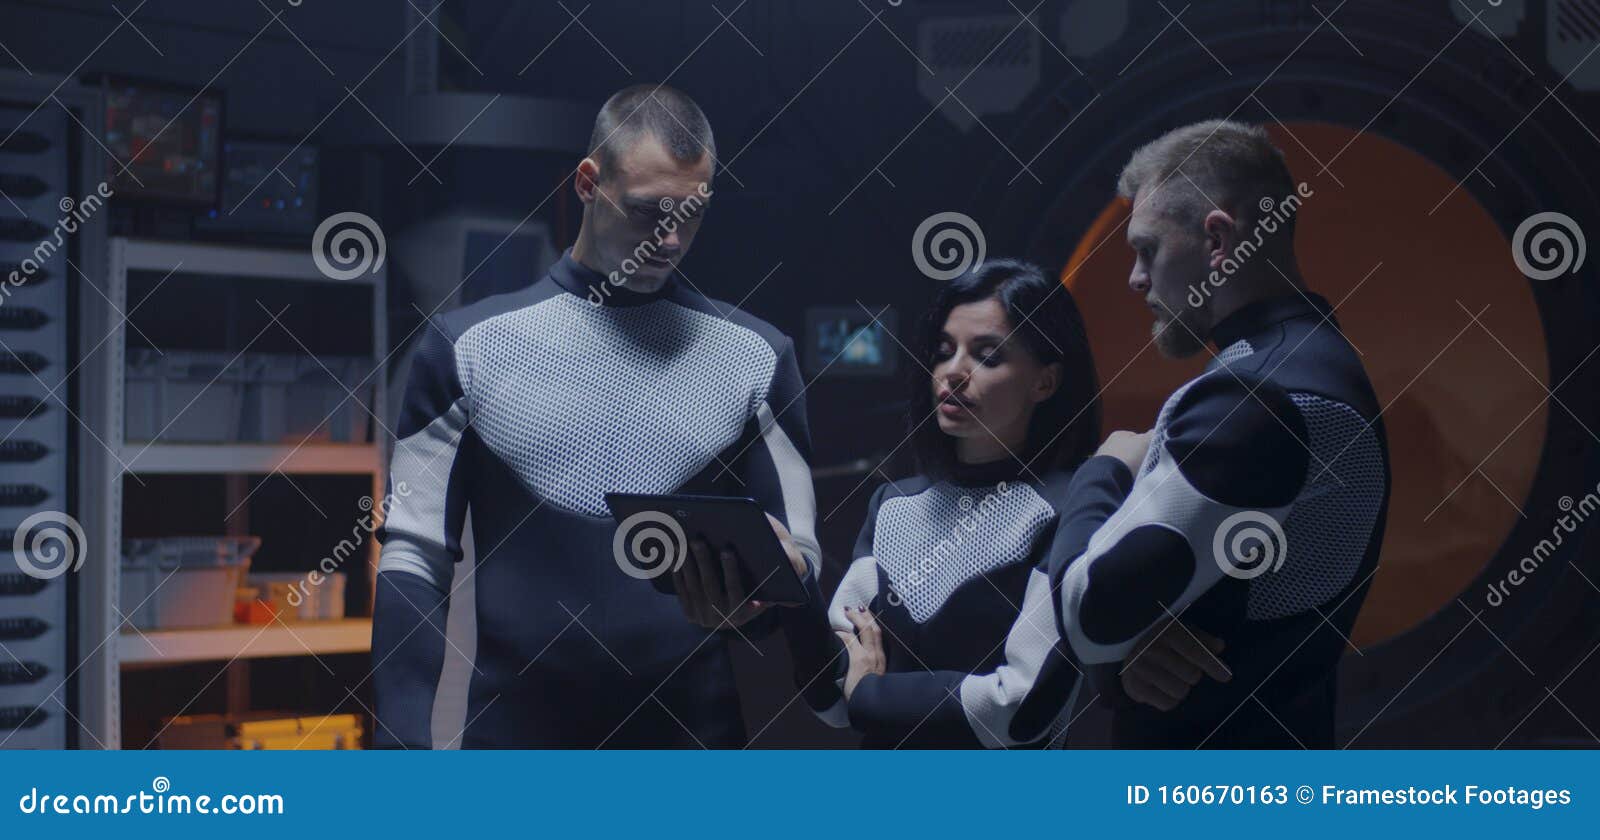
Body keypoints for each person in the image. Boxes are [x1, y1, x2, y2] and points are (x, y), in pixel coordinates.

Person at [370, 84, 820, 748]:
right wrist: (398, 755)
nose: (670, 238)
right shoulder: (465, 349)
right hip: (517, 748)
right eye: (646, 211)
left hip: (691, 745)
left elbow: (801, 562)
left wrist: (757, 601)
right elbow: (414, 557)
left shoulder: (755, 358)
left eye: (691, 213)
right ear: (588, 182)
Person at [1046, 119, 1391, 747]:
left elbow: (1087, 613)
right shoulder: (1306, 361)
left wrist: (1106, 467)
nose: (1135, 279)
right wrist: (1122, 658)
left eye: (1147, 249)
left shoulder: (1256, 398)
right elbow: (1138, 630)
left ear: (1217, 240)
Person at [758, 259, 1104, 747]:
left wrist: (875, 696)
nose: (953, 372)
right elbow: (835, 700)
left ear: (1045, 382)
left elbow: (1020, 709)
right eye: (943, 351)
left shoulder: (1074, 508)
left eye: (987, 355)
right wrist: (796, 592)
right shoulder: (893, 504)